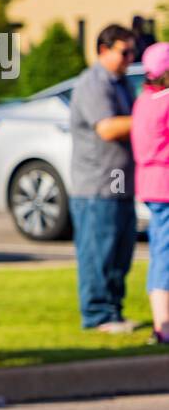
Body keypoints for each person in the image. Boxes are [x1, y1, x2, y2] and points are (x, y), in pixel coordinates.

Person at [69, 24, 139, 333]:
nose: (129, 58)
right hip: (97, 183)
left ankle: (114, 311)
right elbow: (107, 128)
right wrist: (149, 118)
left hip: (120, 180)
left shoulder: (120, 82)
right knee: (98, 250)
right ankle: (97, 314)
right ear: (103, 50)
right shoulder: (93, 84)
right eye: (124, 52)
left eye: (132, 52)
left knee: (120, 250)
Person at [131, 42, 169, 344]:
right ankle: (163, 326)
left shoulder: (143, 100)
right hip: (165, 186)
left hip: (151, 186)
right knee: (164, 255)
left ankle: (161, 323)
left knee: (160, 250)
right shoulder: (165, 102)